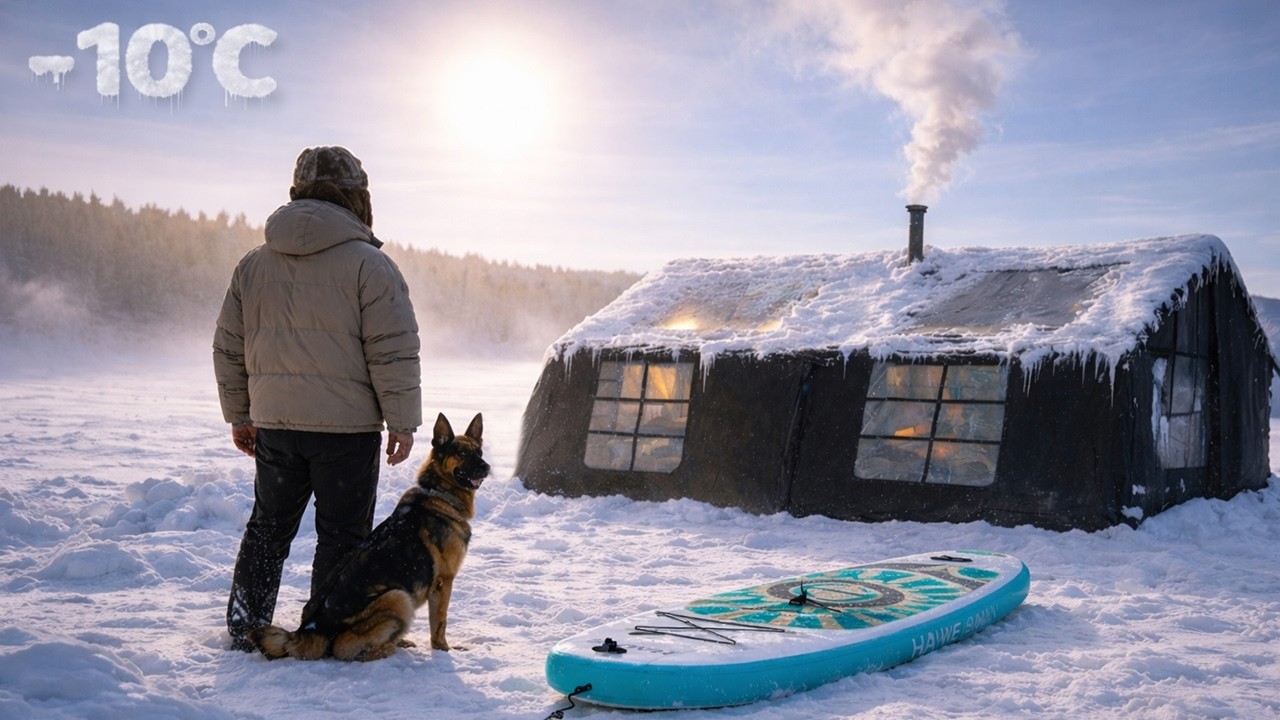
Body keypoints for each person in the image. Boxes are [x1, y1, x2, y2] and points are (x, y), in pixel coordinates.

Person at [212, 146, 422, 651]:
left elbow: (229, 346)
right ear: (356, 197)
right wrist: (402, 421)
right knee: (343, 537)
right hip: (346, 433)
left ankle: (246, 625)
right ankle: (326, 629)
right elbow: (392, 350)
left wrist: (239, 415)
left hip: (277, 426)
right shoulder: (370, 265)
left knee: (268, 529)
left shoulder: (253, 264)